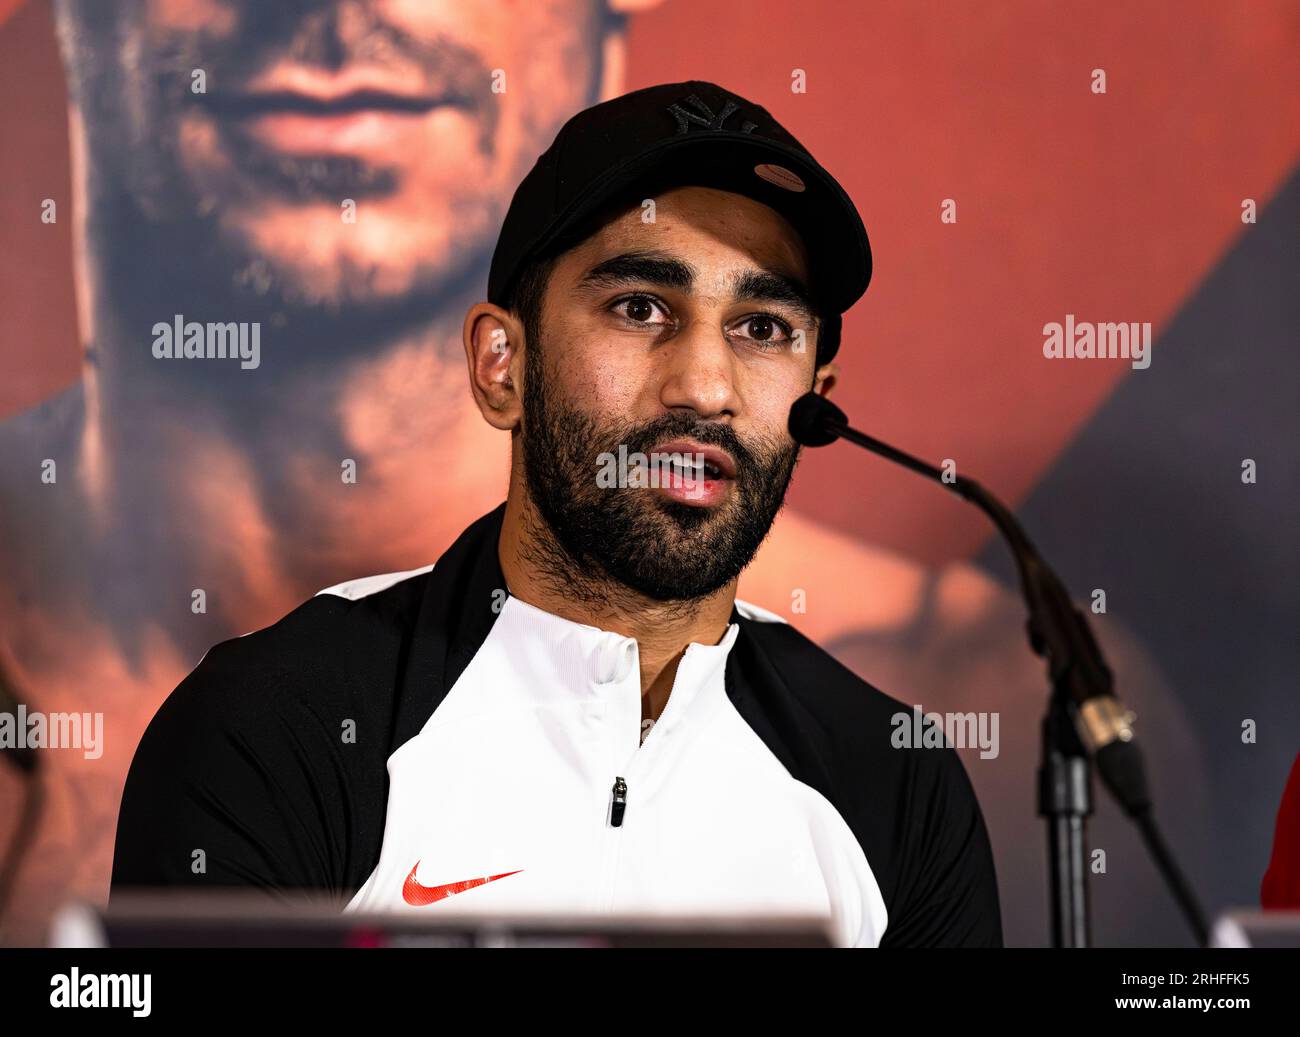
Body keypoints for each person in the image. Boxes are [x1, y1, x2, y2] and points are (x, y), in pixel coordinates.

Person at [110, 81, 1004, 947]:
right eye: (640, 306)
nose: (704, 386)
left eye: (763, 327)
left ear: (817, 397)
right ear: (503, 365)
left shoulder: (896, 780)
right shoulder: (278, 723)